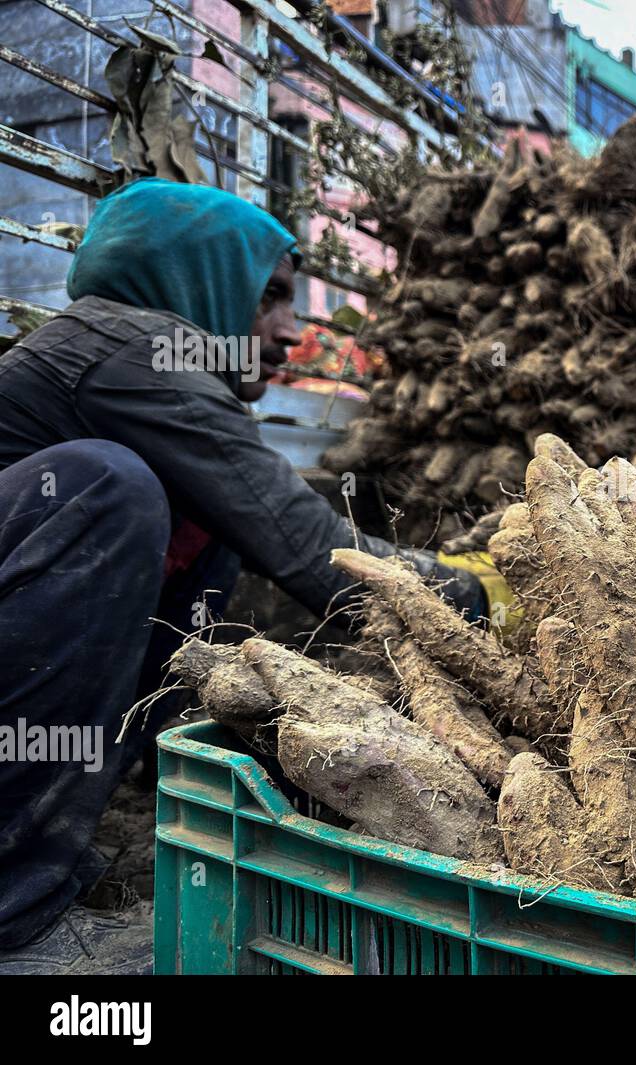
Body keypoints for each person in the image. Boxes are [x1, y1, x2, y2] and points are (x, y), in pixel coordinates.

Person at [0, 178, 484, 961]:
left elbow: (270, 520)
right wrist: (474, 590)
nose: (292, 332)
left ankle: (125, 790)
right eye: (271, 299)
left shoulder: (148, 358)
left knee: (209, 513)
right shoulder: (133, 346)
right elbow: (308, 549)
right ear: (198, 277)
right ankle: (11, 906)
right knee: (109, 485)